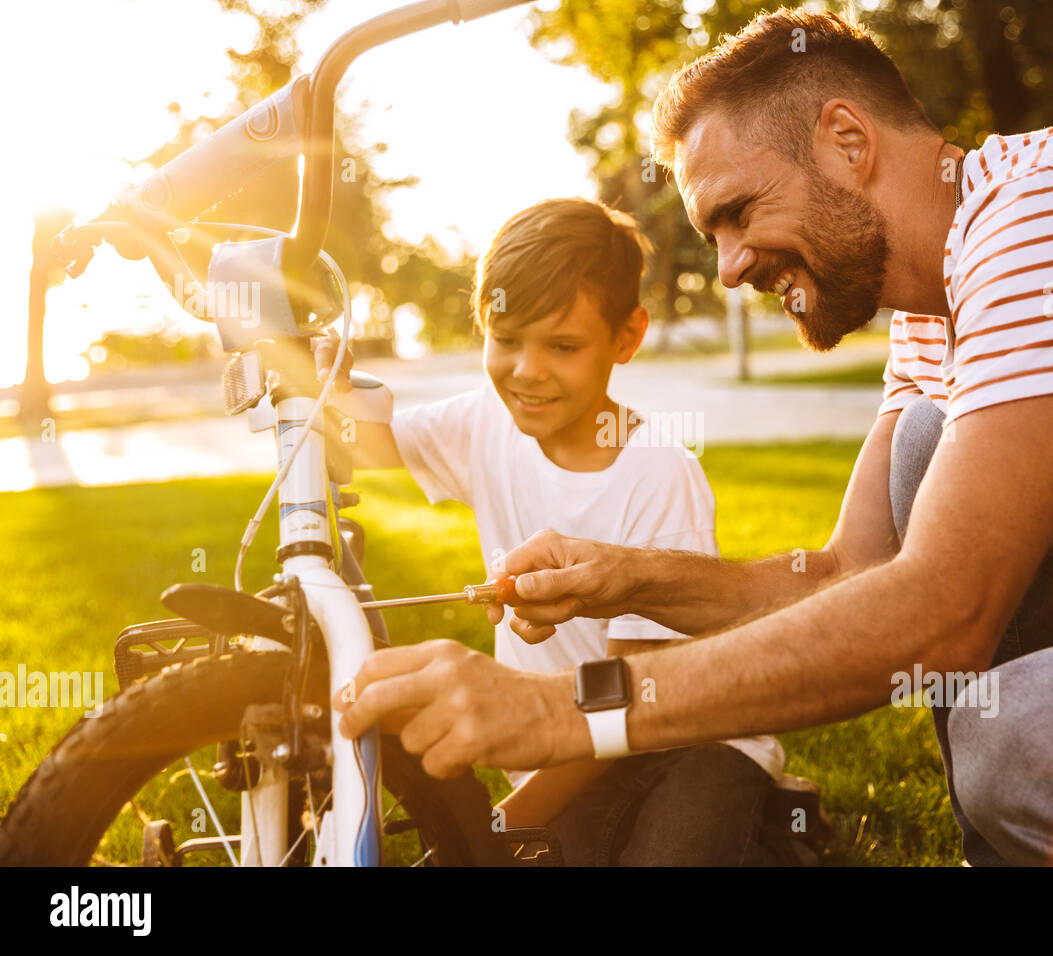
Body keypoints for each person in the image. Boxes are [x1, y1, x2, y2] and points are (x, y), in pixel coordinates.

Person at [334, 9, 1053, 865]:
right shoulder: (937, 308)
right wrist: (625, 575)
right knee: (926, 445)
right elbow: (848, 578)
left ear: (846, 139)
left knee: (1022, 750)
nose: (727, 268)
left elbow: (941, 612)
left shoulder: (1048, 215)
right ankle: (1013, 844)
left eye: (738, 214)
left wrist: (561, 709)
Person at [318, 197, 785, 865]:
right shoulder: (486, 422)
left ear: (626, 338)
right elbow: (369, 441)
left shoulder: (658, 473)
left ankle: (776, 828)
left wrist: (495, 831)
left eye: (561, 346)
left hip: (681, 741)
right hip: (566, 754)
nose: (526, 371)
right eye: (505, 340)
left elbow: (634, 696)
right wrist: (315, 379)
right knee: (572, 845)